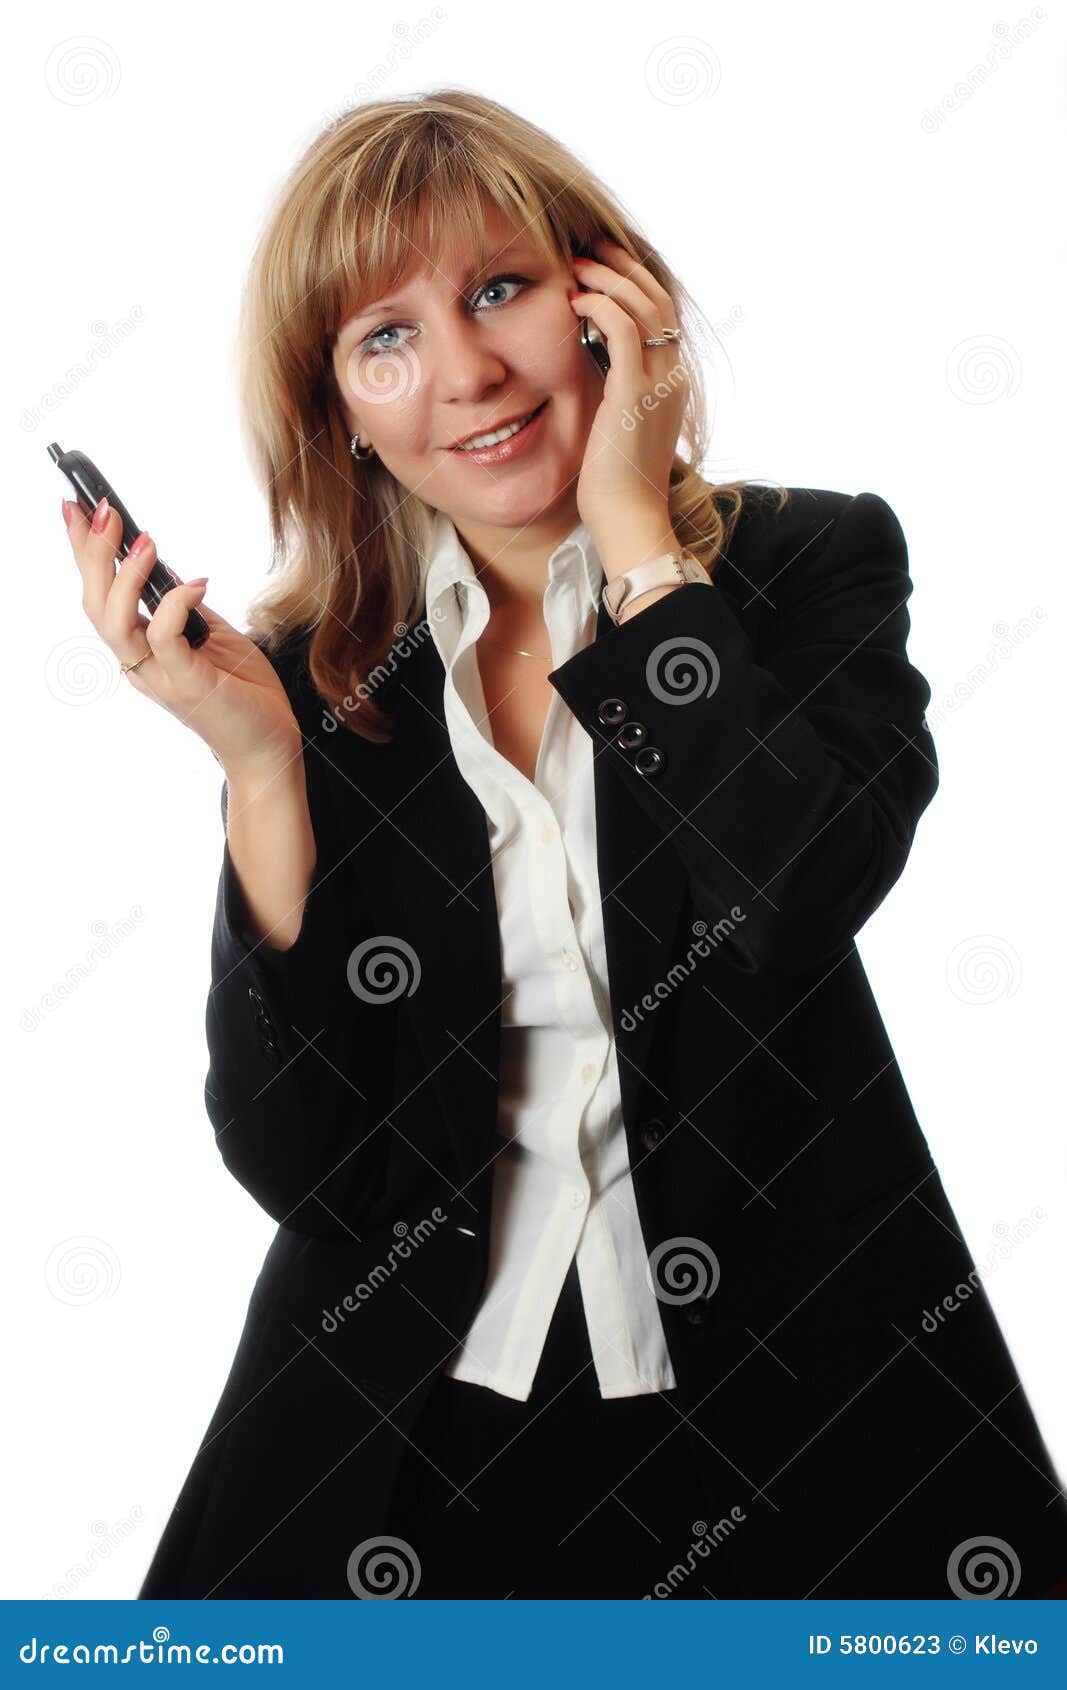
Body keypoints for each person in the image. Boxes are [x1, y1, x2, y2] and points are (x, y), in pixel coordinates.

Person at [64, 88, 1067, 1600]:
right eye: (384, 338)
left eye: (499, 290)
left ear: (611, 297)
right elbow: (305, 1173)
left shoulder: (807, 571)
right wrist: (262, 769)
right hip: (402, 1458)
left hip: (796, 1437)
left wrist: (641, 540)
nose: (465, 372)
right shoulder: (316, 675)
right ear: (338, 407)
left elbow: (790, 895)